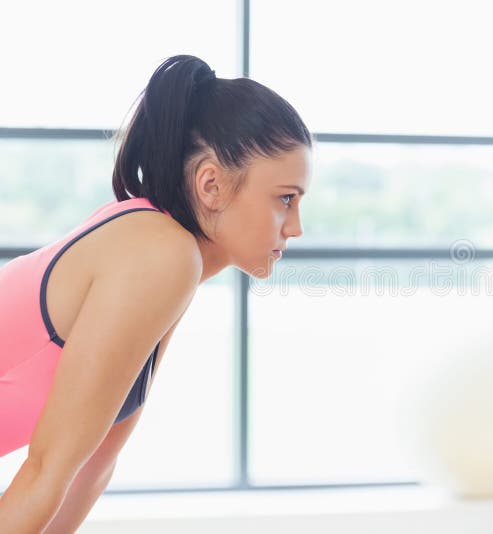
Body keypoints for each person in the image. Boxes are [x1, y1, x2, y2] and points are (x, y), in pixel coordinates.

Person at [0, 54, 312, 532]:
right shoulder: (159, 252)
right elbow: (47, 467)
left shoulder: (170, 260)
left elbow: (92, 465)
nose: (295, 227)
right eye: (284, 198)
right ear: (211, 183)